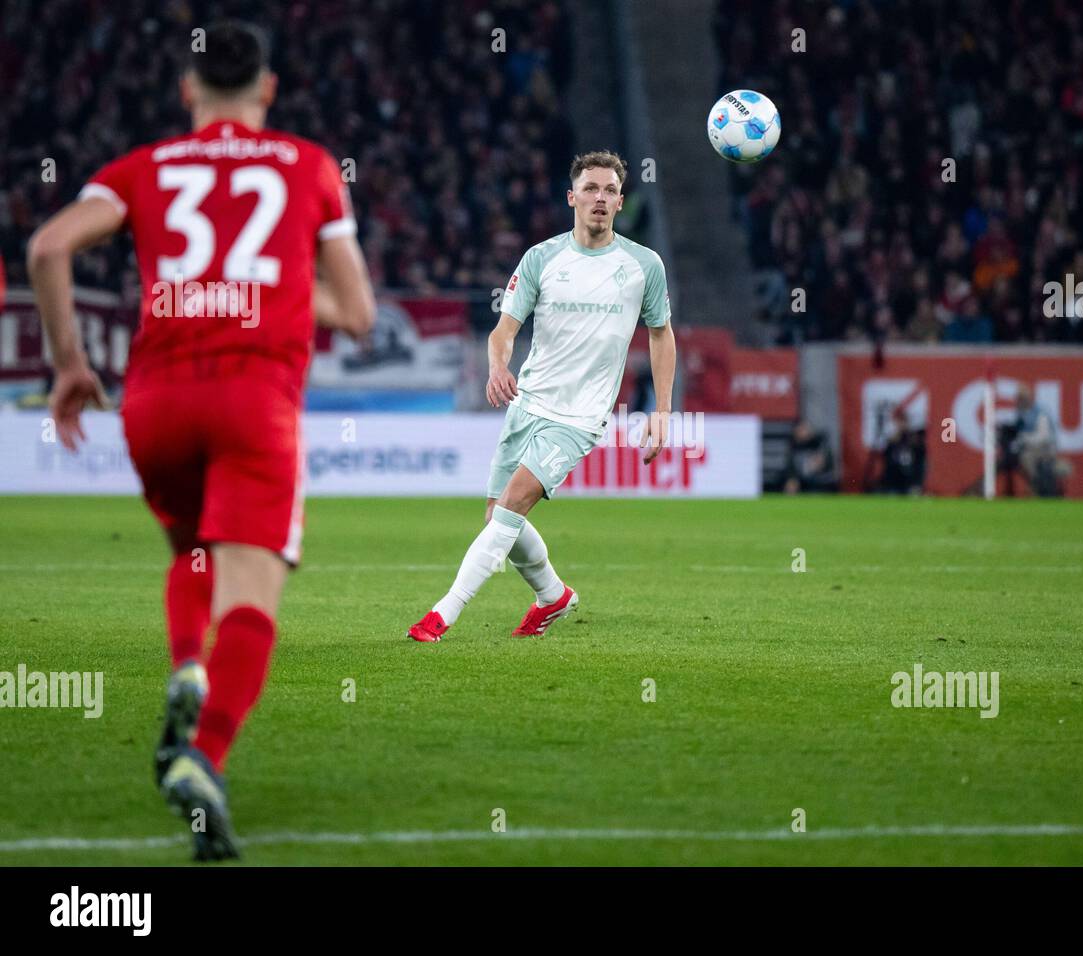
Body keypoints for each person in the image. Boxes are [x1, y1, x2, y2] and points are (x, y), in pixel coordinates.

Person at [26, 20, 375, 860]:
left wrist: (71, 365)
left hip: (154, 403)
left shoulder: (141, 169)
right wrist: (283, 294)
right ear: (268, 90)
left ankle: (188, 660)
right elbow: (359, 314)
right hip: (253, 399)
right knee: (252, 591)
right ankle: (205, 757)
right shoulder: (309, 166)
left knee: (192, 555)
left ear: (187, 91)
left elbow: (46, 248)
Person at [407, 151, 674, 643]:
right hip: (528, 402)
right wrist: (497, 365)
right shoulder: (541, 259)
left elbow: (660, 334)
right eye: (590, 189)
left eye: (610, 190)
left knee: (509, 509)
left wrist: (660, 411)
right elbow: (503, 330)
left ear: (620, 202)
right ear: (572, 198)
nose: (600, 198)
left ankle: (442, 614)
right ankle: (553, 596)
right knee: (497, 517)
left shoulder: (643, 265)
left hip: (580, 415)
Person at [1011, 385, 1069, 496]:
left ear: (1028, 398)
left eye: (1021, 398)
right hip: (1032, 448)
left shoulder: (1040, 412)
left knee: (1026, 458)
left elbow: (1044, 437)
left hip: (1046, 449)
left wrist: (1024, 438)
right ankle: (1037, 485)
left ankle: (1038, 485)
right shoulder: (1021, 412)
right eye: (1018, 398)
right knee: (1019, 457)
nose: (1018, 401)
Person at [783, 419, 838, 494]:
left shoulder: (820, 443)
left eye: (804, 429)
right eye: (799, 430)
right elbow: (790, 467)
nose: (802, 432)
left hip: (822, 481)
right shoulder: (794, 447)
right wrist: (791, 478)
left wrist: (822, 462)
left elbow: (830, 466)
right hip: (803, 482)